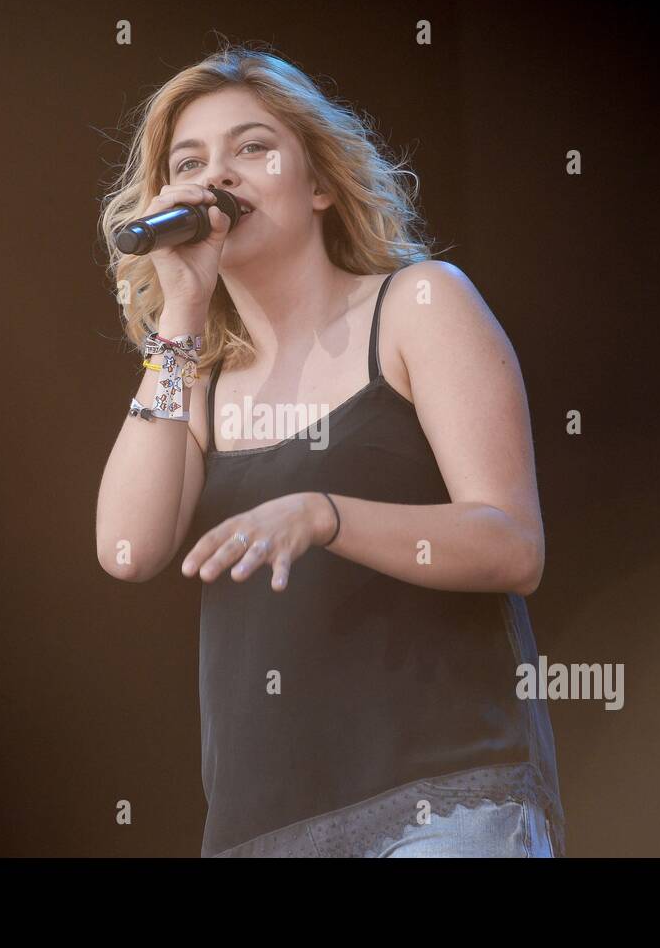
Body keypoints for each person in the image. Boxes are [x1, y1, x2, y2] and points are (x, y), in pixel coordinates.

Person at [95, 43, 565, 858]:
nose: (219, 178)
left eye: (252, 147)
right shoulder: (198, 384)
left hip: (441, 807)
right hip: (261, 835)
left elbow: (512, 543)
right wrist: (180, 314)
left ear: (318, 183)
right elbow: (127, 549)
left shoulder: (418, 305)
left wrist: (326, 515)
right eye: (191, 161)